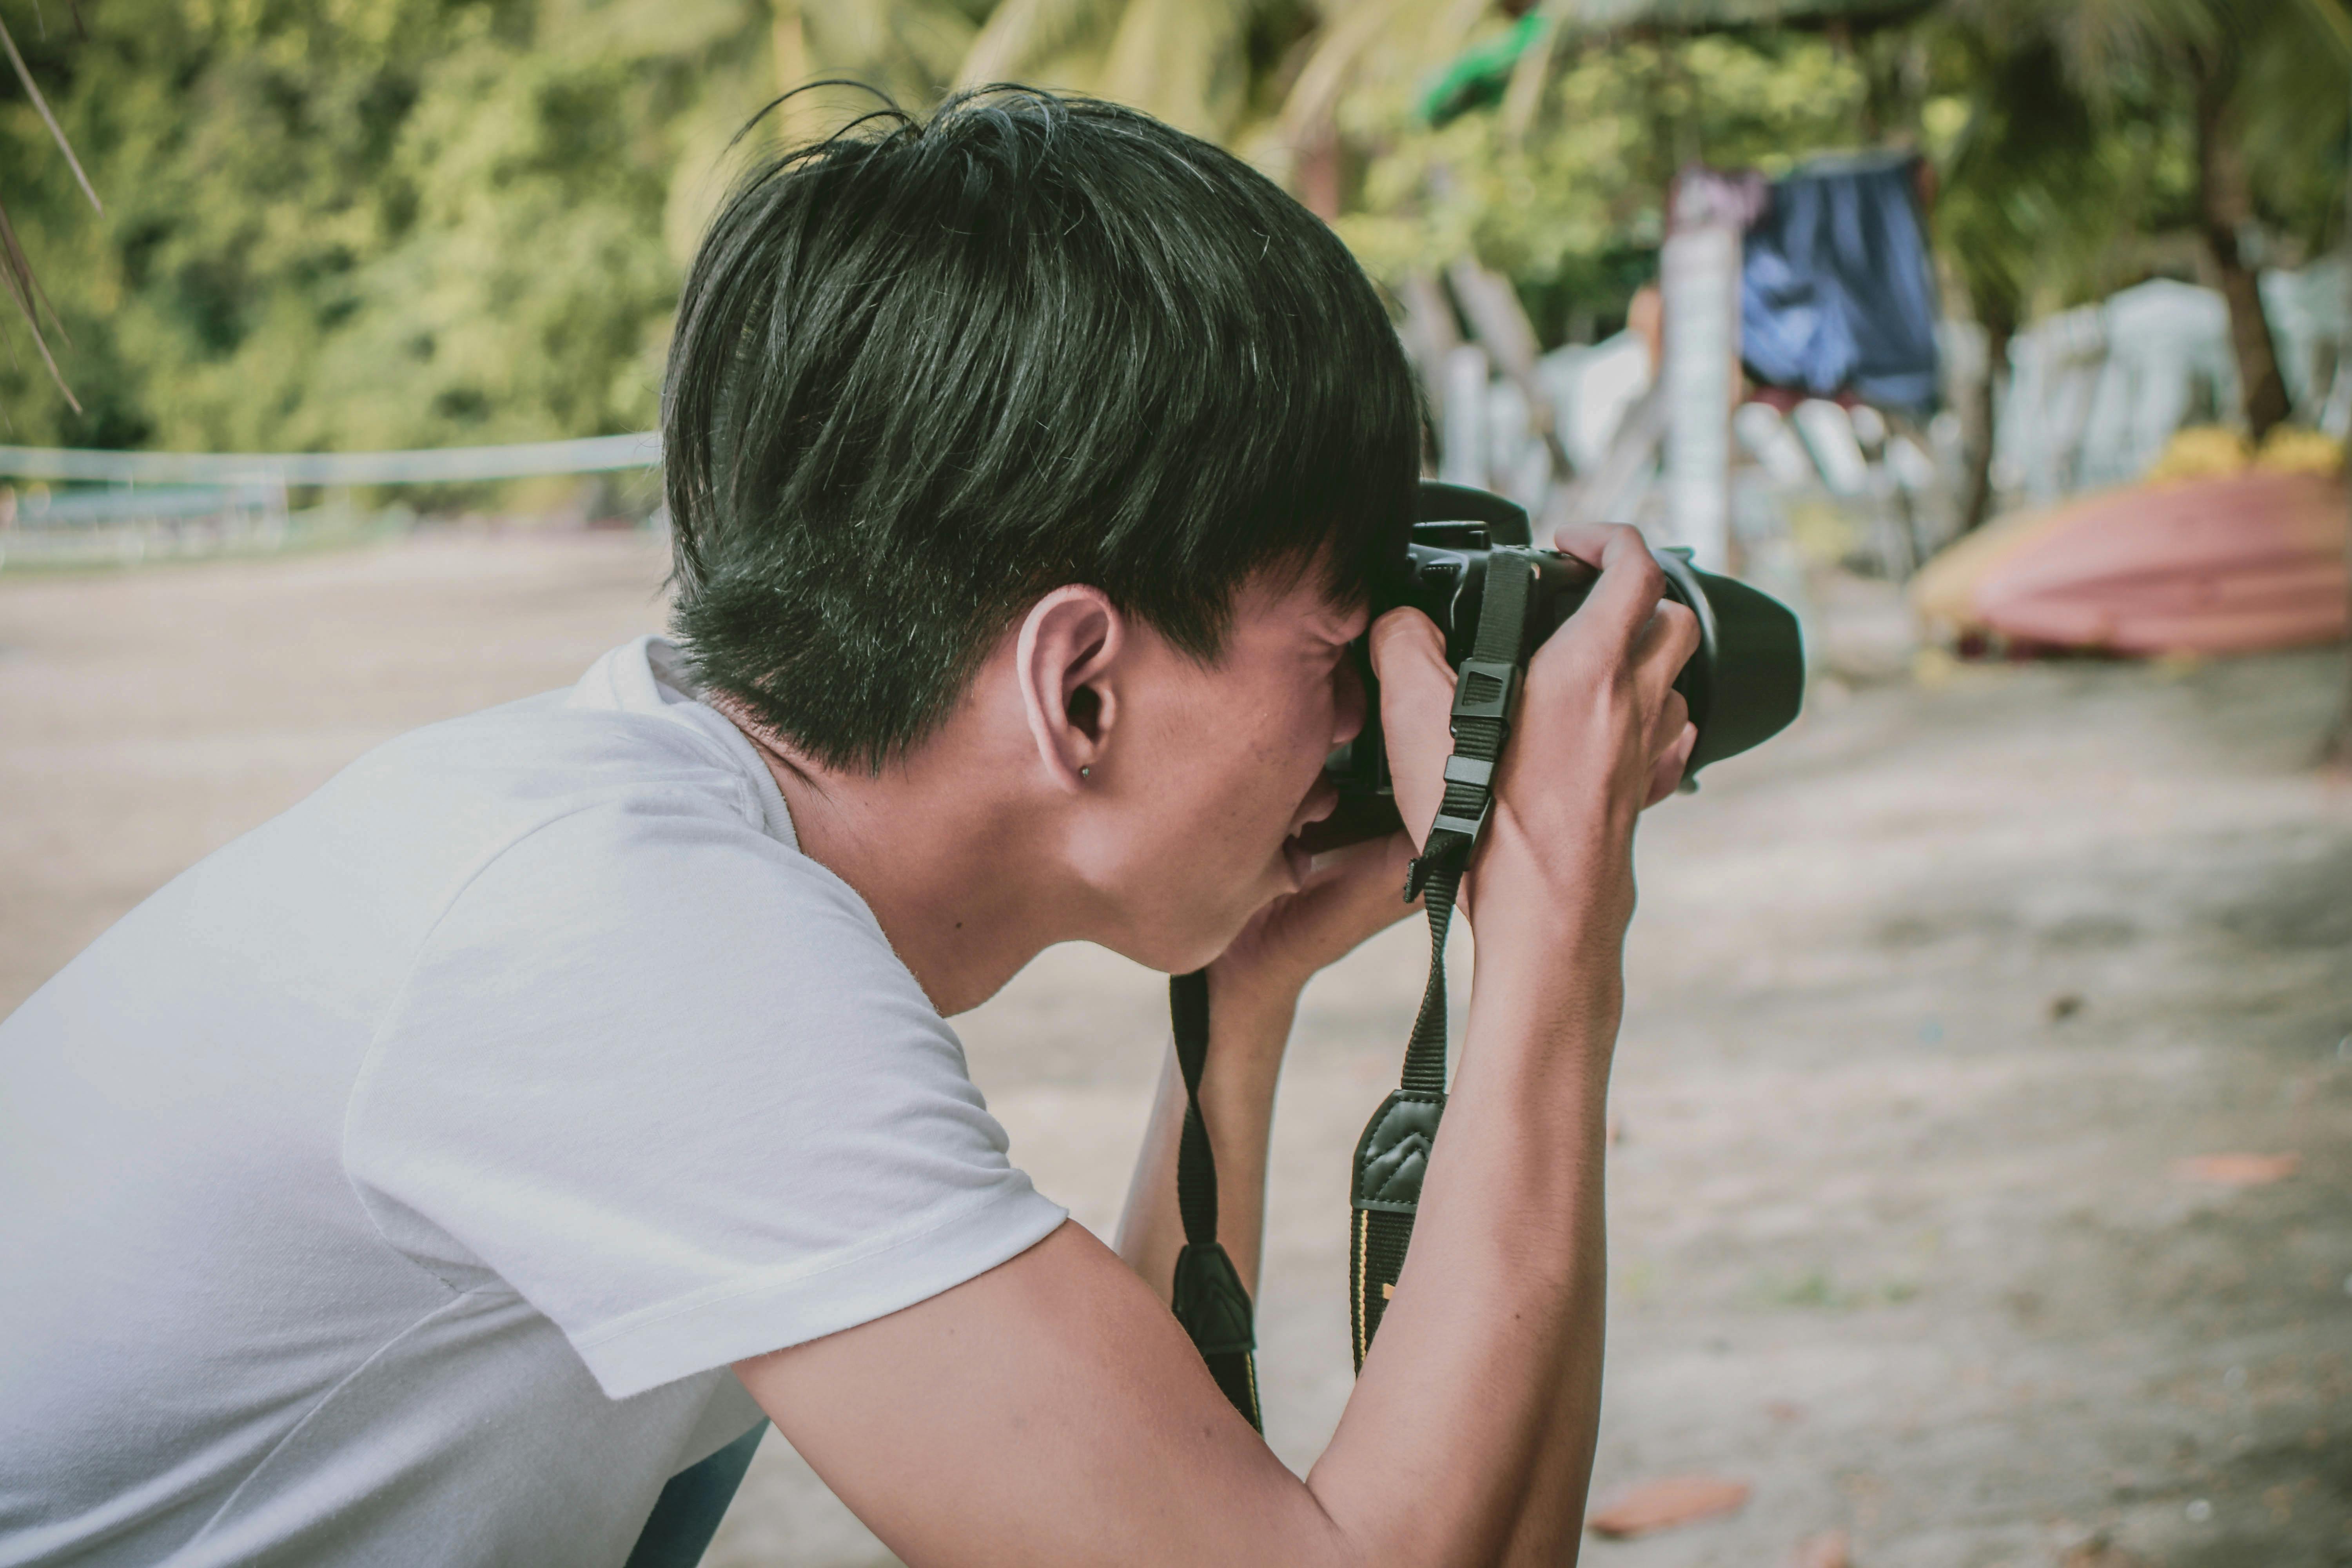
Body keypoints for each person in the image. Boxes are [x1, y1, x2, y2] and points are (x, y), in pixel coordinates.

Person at [0, 89, 1696, 1567]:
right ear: (1080, 686)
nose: (1357, 733)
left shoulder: (658, 841)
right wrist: (1548, 905)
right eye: (1339, 656)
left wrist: (1232, 1030)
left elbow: (1151, 1497)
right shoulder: (646, 951)